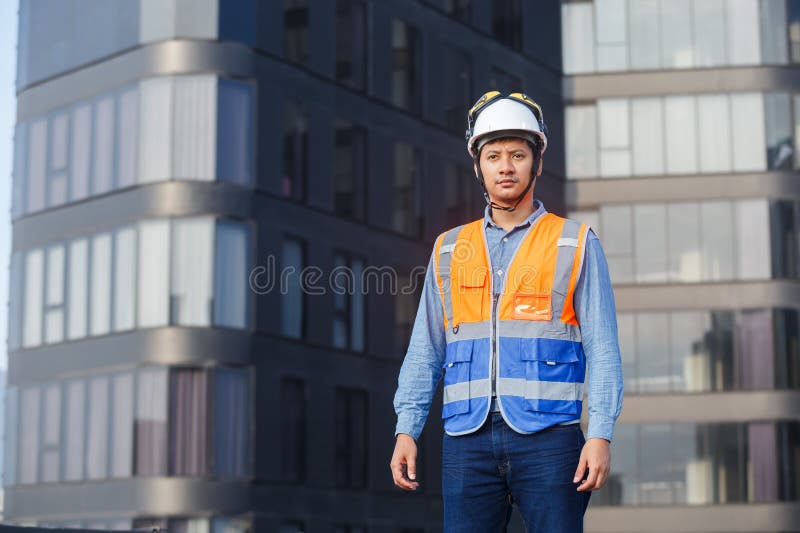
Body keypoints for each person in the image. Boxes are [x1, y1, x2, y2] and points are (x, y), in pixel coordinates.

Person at [390, 91, 624, 532]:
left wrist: (600, 433)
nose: (505, 166)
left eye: (518, 154)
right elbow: (425, 350)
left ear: (536, 162)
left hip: (552, 441)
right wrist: (407, 428)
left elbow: (604, 348)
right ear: (478, 165)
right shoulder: (449, 249)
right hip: (466, 443)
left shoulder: (574, 243)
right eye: (493, 155)